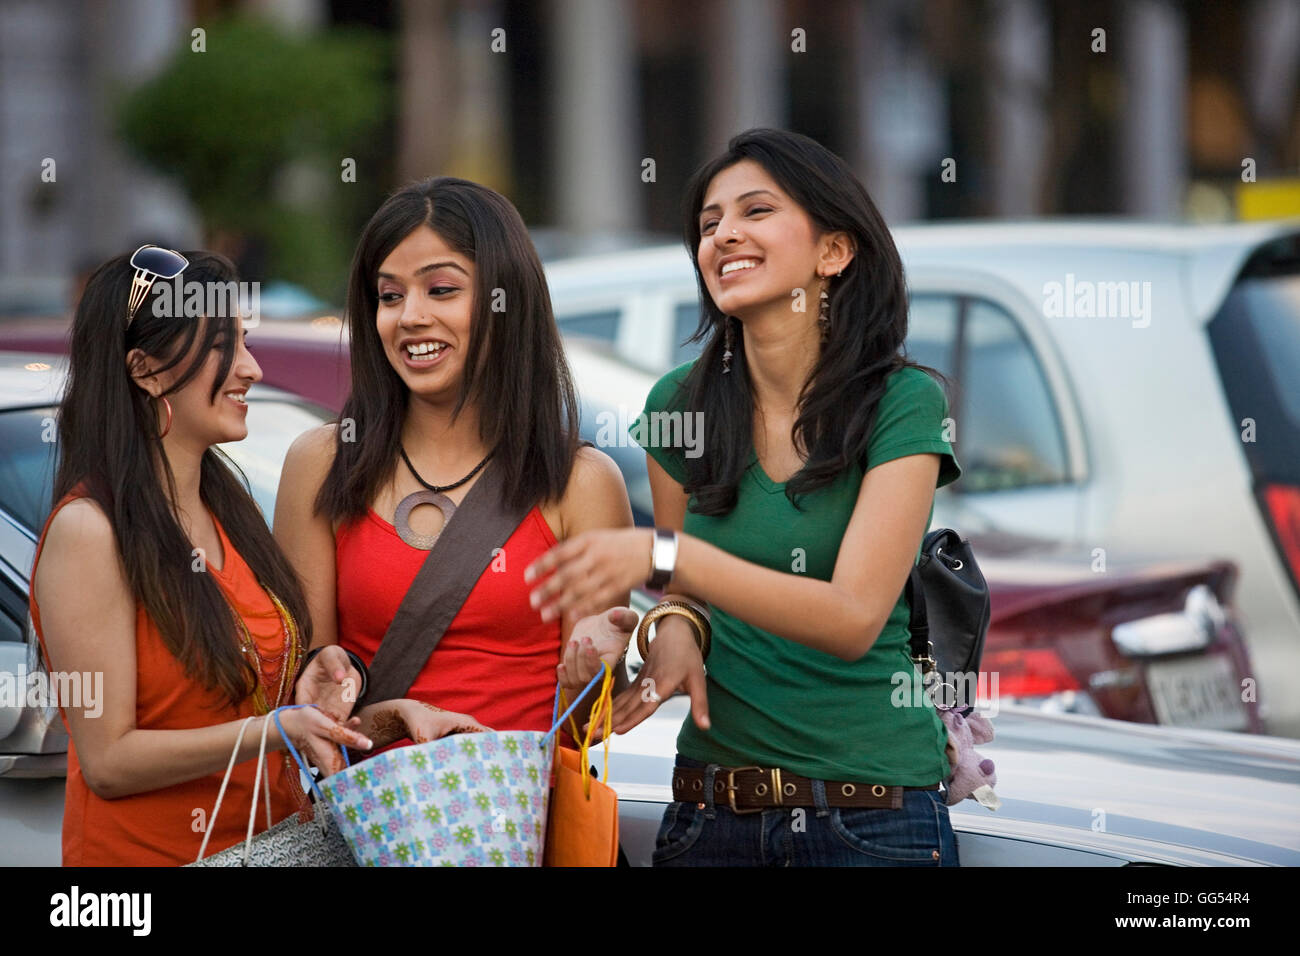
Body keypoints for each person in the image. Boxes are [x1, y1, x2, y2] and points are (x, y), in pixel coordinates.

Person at [525, 128, 963, 866]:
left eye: (756, 211)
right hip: (711, 814)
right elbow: (683, 593)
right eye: (708, 224)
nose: (724, 234)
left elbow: (854, 617)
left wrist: (664, 556)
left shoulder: (904, 403)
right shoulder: (680, 403)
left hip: (872, 820)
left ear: (834, 251)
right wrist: (668, 632)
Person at [30, 247, 372, 866]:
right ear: (146, 370)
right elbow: (108, 762)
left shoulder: (228, 507)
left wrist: (309, 693)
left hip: (273, 850)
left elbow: (235, 692)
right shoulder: (89, 531)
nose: (252, 368)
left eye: (246, 342)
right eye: (224, 347)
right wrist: (277, 730)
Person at [274, 177, 637, 752]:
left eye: (440, 290)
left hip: (519, 828)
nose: (409, 316)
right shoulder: (319, 463)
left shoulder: (581, 483)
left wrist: (593, 680)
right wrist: (387, 718)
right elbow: (305, 710)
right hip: (367, 827)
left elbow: (585, 729)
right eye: (389, 296)